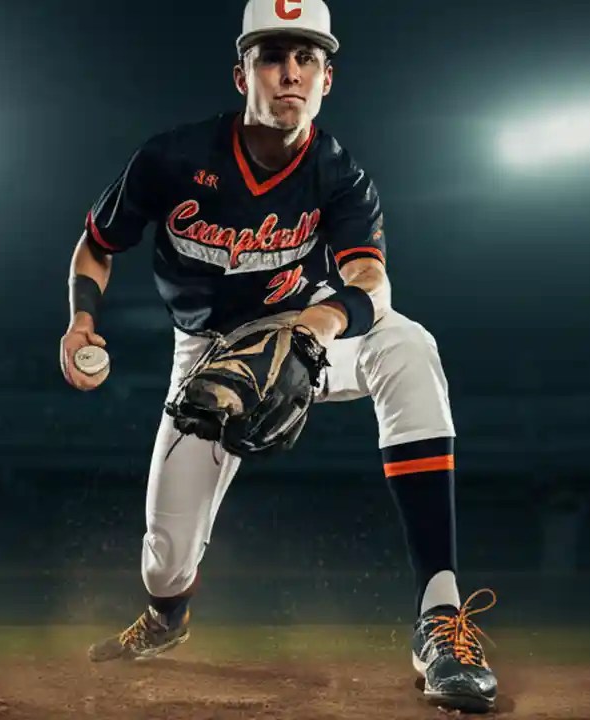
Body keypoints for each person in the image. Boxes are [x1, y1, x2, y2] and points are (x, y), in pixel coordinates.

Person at [58, 0, 498, 712]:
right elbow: (98, 247)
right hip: (208, 356)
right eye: (272, 56)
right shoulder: (171, 158)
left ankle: (441, 620)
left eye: (307, 59)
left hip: (308, 333)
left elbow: (369, 282)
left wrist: (316, 327)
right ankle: (168, 618)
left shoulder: (340, 176)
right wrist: (80, 324)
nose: (289, 73)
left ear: (328, 78)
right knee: (165, 561)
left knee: (409, 346)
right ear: (241, 74)